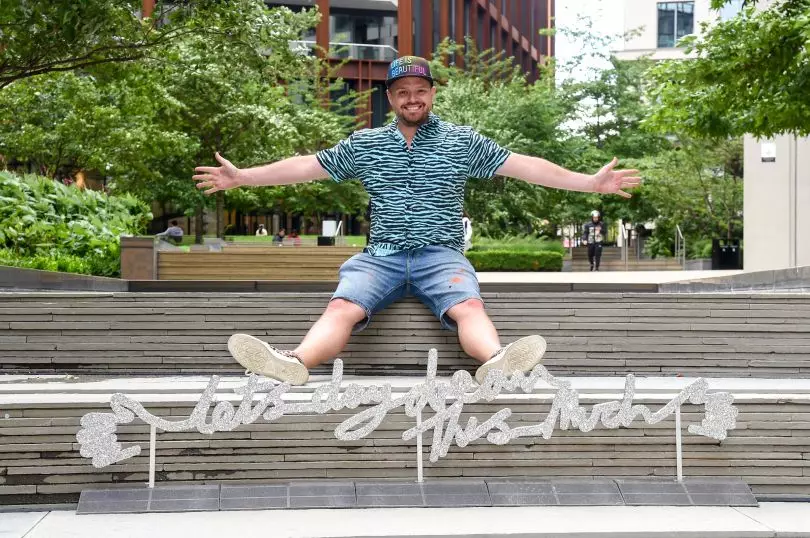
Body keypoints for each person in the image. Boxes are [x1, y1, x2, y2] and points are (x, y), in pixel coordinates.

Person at [193, 55, 640, 386]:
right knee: (341, 306)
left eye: (420, 90)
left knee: (468, 306)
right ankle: (294, 362)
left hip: (440, 257)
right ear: (390, 98)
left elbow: (524, 165)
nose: (412, 98)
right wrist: (242, 178)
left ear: (431, 94)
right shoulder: (366, 145)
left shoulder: (460, 142)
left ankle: (497, 361)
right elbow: (307, 165)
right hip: (380, 257)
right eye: (402, 92)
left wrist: (589, 183)